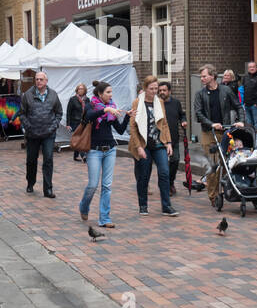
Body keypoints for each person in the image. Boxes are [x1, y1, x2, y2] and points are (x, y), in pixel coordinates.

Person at [79, 80, 129, 227]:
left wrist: (127, 117)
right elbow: (88, 117)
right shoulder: (91, 105)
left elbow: (119, 130)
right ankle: (83, 205)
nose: (111, 95)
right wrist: (105, 110)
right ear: (100, 94)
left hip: (110, 150)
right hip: (94, 150)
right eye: (108, 92)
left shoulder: (111, 108)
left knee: (107, 186)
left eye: (111, 92)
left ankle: (104, 218)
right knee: (93, 185)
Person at [192, 64, 243, 205]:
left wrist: (241, 121)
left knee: (227, 164)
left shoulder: (226, 90)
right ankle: (213, 196)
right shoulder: (200, 94)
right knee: (212, 165)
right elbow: (198, 113)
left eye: (204, 76)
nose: (202, 78)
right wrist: (211, 123)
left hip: (225, 131)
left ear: (213, 76)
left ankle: (228, 190)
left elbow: (238, 106)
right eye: (201, 76)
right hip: (209, 133)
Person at [129, 76, 176, 216]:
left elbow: (164, 123)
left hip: (159, 143)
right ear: (145, 88)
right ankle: (143, 205)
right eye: (151, 89)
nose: (154, 91)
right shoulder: (137, 102)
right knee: (144, 176)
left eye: (156, 88)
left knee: (164, 173)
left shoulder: (160, 102)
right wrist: (138, 147)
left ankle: (166, 206)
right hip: (143, 144)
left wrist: (168, 142)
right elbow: (133, 126)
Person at [19, 70, 63, 198]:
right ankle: (30, 183)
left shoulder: (53, 95)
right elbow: (22, 114)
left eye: (41, 79)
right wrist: (28, 127)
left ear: (46, 81)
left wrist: (54, 126)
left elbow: (59, 112)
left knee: (48, 160)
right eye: (37, 79)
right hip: (32, 134)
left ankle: (48, 189)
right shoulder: (27, 95)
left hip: (48, 134)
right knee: (31, 160)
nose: (38, 81)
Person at [158, 80, 186, 196]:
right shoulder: (156, 104)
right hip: (160, 139)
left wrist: (183, 121)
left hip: (174, 138)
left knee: (175, 161)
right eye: (160, 91)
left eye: (164, 90)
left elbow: (181, 114)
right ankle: (165, 186)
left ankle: (170, 182)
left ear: (169, 91)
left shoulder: (176, 103)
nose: (162, 92)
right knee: (163, 164)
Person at [66, 82, 90, 163]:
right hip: (75, 122)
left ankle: (75, 156)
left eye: (82, 89)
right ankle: (83, 156)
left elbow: (89, 111)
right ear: (77, 90)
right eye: (79, 88)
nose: (80, 90)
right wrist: (68, 124)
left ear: (85, 90)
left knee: (80, 138)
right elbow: (68, 112)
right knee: (79, 138)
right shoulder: (73, 99)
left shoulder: (87, 100)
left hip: (84, 122)